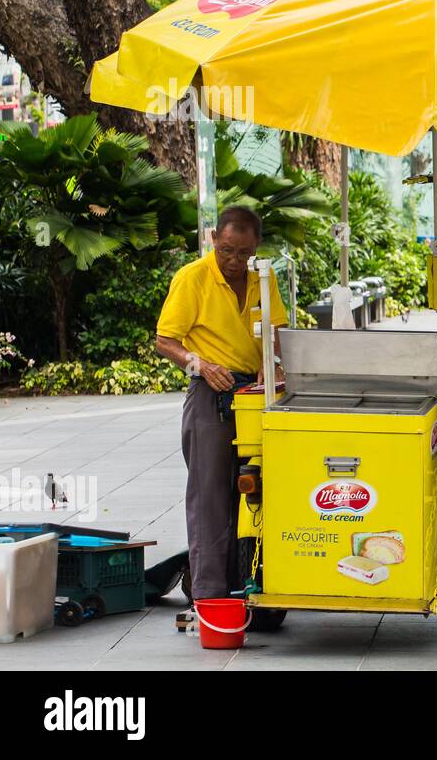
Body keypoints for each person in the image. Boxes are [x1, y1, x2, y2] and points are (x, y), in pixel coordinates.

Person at [154, 206, 286, 603]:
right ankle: (210, 596)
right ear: (214, 238)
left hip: (254, 393)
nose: (233, 260)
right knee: (210, 494)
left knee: (253, 488)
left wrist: (273, 363)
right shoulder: (192, 277)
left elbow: (275, 331)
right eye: (226, 249)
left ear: (256, 247)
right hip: (210, 392)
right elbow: (165, 340)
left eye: (242, 253)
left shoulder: (264, 277)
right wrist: (201, 364)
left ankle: (246, 581)